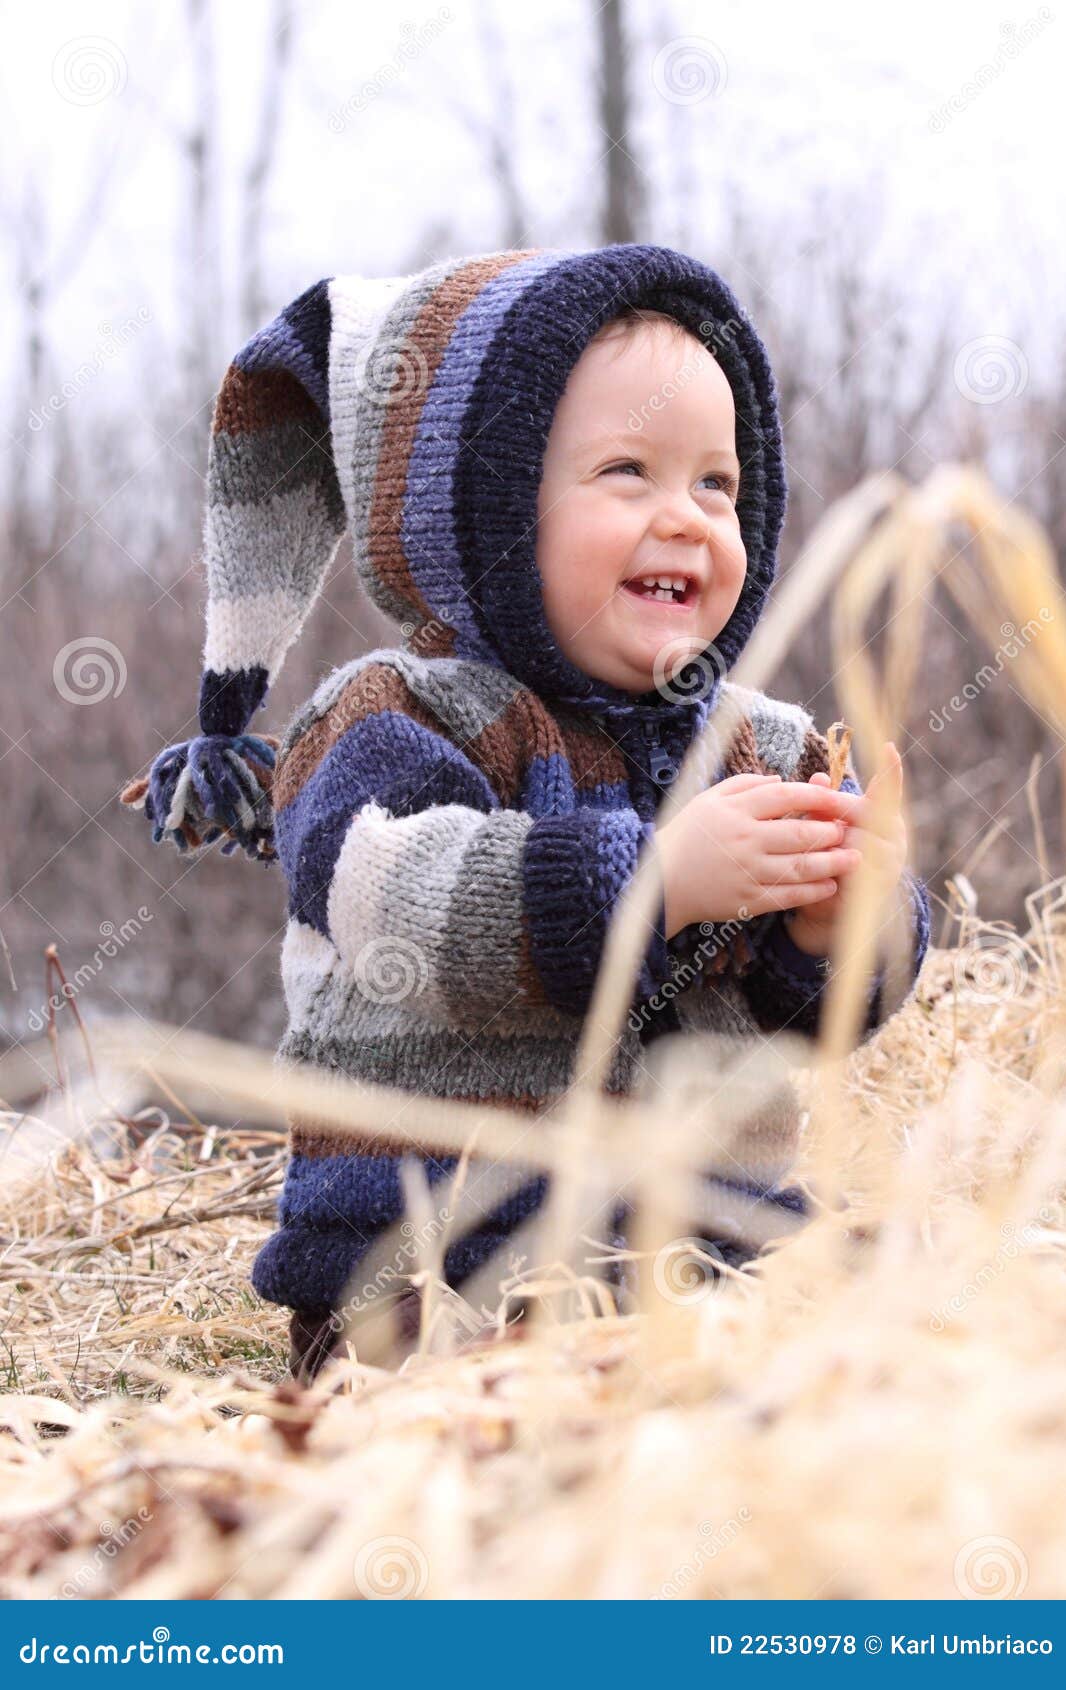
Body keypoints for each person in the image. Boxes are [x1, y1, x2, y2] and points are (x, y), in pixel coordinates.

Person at [121, 244, 930, 1383]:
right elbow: (397, 903)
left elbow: (819, 1011)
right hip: (437, 1269)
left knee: (906, 1300)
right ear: (479, 514)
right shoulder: (393, 717)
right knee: (543, 1380)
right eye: (627, 473)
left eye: (717, 483)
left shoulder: (764, 745)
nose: (688, 519)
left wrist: (841, 920)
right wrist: (653, 882)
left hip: (710, 1254)